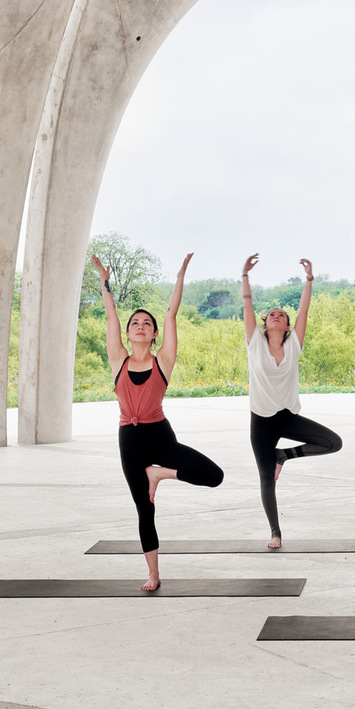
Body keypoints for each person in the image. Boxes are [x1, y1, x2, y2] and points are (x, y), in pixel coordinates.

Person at [93, 249, 223, 592]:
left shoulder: (163, 360)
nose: (139, 326)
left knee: (214, 476)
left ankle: (160, 473)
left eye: (146, 324)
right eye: (135, 323)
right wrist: (105, 281)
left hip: (160, 438)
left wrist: (180, 276)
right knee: (144, 510)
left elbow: (171, 313)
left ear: (153, 335)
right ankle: (153, 573)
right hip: (130, 443)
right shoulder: (118, 359)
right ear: (129, 333)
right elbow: (110, 316)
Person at [241, 251, 344, 549]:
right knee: (265, 479)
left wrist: (309, 280)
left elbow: (304, 309)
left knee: (333, 442)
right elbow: (247, 306)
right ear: (265, 323)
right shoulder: (255, 343)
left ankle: (283, 457)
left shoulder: (294, 343)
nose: (276, 316)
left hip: (287, 417)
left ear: (287, 326)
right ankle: (276, 532)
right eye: (271, 314)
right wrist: (245, 276)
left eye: (282, 315)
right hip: (261, 421)